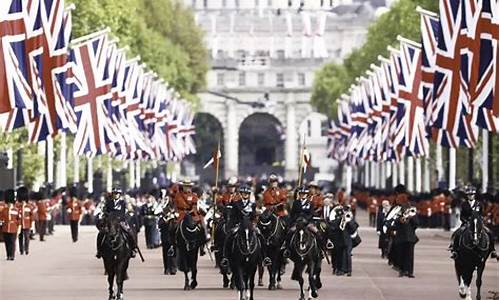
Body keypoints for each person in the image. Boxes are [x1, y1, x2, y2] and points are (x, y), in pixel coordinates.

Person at [221, 185, 271, 267]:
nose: (245, 195)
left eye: (247, 193)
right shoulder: (236, 204)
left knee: (261, 236)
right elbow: (233, 216)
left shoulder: (252, 205)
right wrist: (234, 225)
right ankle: (225, 257)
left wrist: (254, 223)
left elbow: (254, 216)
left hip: (250, 225)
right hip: (239, 224)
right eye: (244, 193)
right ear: (241, 194)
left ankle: (265, 257)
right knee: (229, 236)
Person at [449, 184, 498, 259]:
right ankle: (455, 250)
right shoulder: (464, 204)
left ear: (474, 195)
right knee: (457, 233)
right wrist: (466, 221)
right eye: (469, 195)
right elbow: (462, 216)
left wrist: (480, 220)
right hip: (467, 223)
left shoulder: (479, 204)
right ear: (467, 195)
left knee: (489, 232)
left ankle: (492, 250)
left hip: (477, 223)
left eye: (472, 194)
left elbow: (482, 214)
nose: (470, 196)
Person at [96, 188, 138, 259]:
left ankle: (133, 248)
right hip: (110, 222)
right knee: (101, 234)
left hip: (121, 221)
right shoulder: (108, 202)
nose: (116, 195)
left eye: (117, 193)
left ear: (119, 194)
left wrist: (128, 214)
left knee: (130, 232)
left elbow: (128, 211)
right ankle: (99, 250)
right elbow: (105, 211)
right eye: (114, 193)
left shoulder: (123, 203)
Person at [175, 179, 208, 255]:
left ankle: (202, 245)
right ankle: (173, 247)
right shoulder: (178, 195)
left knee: (202, 225)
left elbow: (194, 207)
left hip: (191, 213)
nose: (186, 188)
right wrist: (176, 212)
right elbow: (175, 206)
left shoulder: (194, 196)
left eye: (188, 186)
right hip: (180, 213)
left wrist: (189, 212)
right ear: (183, 187)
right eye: (185, 186)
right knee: (173, 227)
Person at [283, 186, 317, 258]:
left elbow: (311, 214)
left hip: (308, 223)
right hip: (298, 222)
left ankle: (320, 250)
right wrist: (296, 220)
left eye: (305, 193)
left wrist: (306, 220)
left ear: (307, 194)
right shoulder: (296, 202)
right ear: (300, 194)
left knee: (317, 232)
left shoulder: (310, 203)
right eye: (302, 193)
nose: (303, 195)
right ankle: (287, 249)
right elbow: (292, 214)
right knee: (290, 232)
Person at [394, 204, 418, 278]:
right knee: (401, 255)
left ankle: (409, 271)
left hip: (410, 238)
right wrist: (400, 220)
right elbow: (395, 223)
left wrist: (411, 218)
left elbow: (416, 225)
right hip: (401, 238)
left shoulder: (413, 215)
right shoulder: (399, 215)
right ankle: (402, 270)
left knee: (410, 256)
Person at [1, 189, 19, 260]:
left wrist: (19, 227)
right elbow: (1, 219)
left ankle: (12, 255)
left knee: (12, 242)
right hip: (5, 228)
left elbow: (18, 220)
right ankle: (8, 255)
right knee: (7, 243)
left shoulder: (16, 210)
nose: (9, 204)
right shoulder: (4, 210)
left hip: (13, 228)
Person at [16, 186, 35, 255]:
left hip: (27, 224)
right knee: (20, 237)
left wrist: (32, 225)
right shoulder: (17, 205)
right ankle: (21, 250)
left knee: (27, 237)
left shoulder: (29, 206)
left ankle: (26, 249)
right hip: (20, 224)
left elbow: (31, 216)